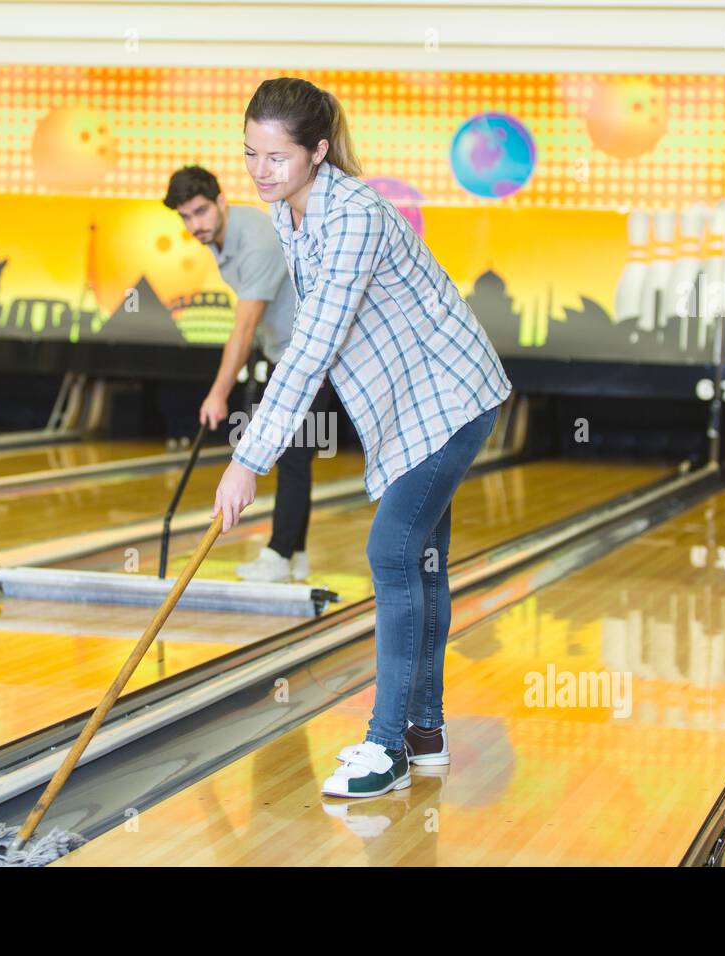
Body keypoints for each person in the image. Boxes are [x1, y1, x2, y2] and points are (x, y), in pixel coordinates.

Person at [213, 77, 512, 798]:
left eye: (276, 157)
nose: (260, 170)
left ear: (318, 151)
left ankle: (385, 750)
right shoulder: (287, 209)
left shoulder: (355, 218)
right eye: (250, 153)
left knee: (390, 551)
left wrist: (249, 457)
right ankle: (424, 733)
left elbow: (313, 344)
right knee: (424, 563)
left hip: (450, 398)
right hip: (410, 404)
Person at [164, 165, 333, 583]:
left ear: (221, 201)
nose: (195, 225)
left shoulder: (255, 240)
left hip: (314, 351)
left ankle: (280, 554)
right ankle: (293, 555)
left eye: (201, 212)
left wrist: (218, 393)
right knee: (294, 452)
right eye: (185, 217)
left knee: (293, 454)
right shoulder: (220, 239)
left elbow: (242, 327)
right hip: (286, 351)